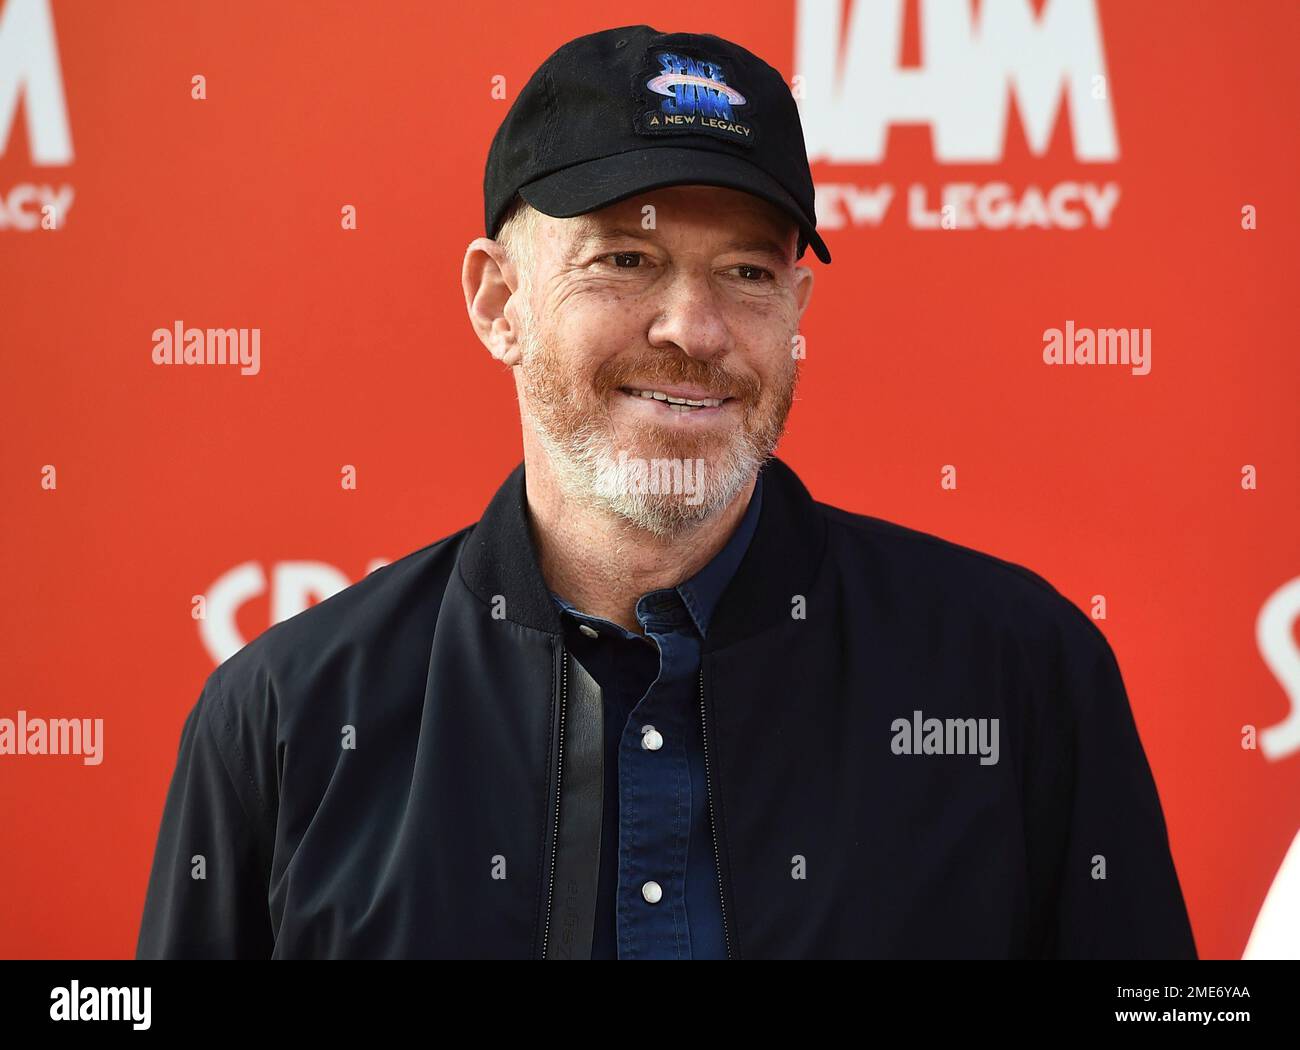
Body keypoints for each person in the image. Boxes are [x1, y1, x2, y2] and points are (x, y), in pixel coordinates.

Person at [136, 24, 1196, 959]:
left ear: (796, 308)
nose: (693, 330)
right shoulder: (285, 718)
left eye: (745, 273)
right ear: (498, 301)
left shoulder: (1015, 673)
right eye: (626, 258)